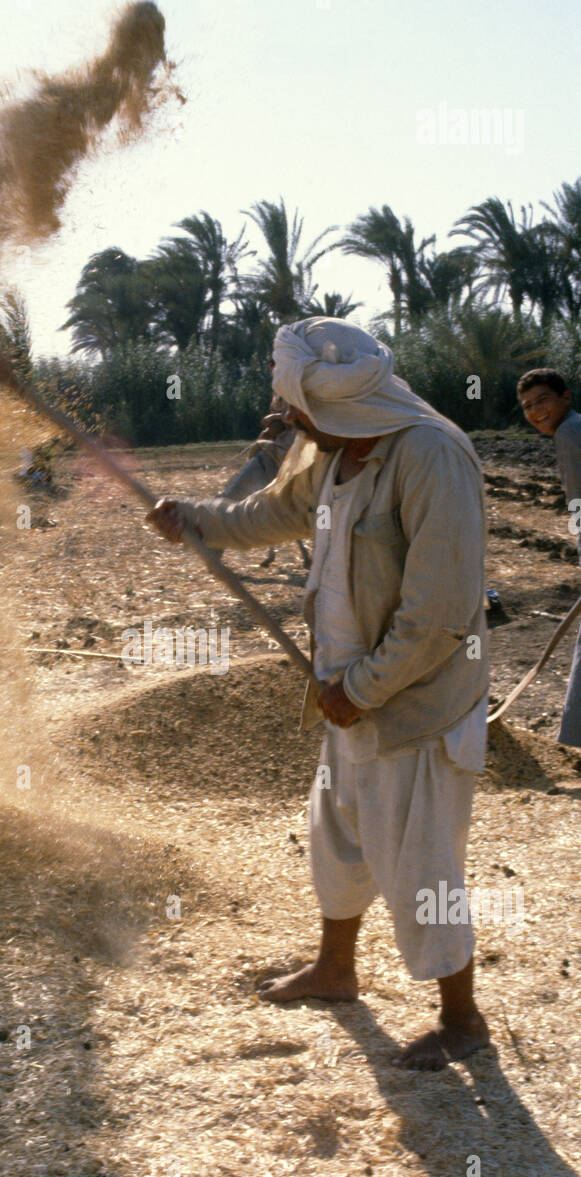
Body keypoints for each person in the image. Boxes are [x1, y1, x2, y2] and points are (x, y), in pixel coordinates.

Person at [147, 317, 491, 1071]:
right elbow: (272, 512)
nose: (286, 420)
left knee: (422, 863)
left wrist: (365, 688)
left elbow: (438, 613)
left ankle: (462, 1020)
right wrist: (193, 521)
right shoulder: (336, 453)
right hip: (346, 693)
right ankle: (336, 971)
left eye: (294, 408)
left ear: (331, 402)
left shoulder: (430, 455)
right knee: (338, 838)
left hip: (414, 706)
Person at [517, 368, 581, 747]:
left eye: (542, 400)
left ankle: (572, 745)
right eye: (527, 406)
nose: (535, 410)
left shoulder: (570, 433)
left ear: (566, 397)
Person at [216, 393, 309, 569]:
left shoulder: (294, 386)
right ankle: (297, 553)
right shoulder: (281, 390)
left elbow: (302, 417)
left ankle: (216, 552)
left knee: (246, 500)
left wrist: (276, 419)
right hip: (277, 453)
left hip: (283, 455)